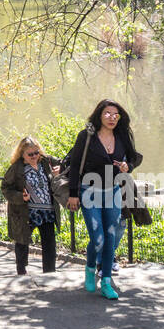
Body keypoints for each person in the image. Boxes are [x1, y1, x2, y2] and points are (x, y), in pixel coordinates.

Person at [64, 99, 143, 300]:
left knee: (109, 237)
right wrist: (73, 194)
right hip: (88, 191)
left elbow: (133, 157)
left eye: (116, 114)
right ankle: (90, 269)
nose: (112, 117)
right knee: (97, 237)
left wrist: (128, 167)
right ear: (99, 115)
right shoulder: (87, 136)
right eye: (107, 113)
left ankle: (106, 281)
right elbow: (74, 166)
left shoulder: (122, 136)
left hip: (113, 191)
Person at [1, 135, 63, 275]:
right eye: (30, 154)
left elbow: (66, 164)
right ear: (22, 154)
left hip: (47, 210)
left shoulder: (47, 162)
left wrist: (58, 172)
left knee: (49, 243)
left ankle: (49, 273)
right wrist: (20, 197)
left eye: (37, 152)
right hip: (26, 211)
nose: (34, 156)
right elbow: (5, 188)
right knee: (22, 241)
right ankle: (21, 271)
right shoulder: (16, 168)